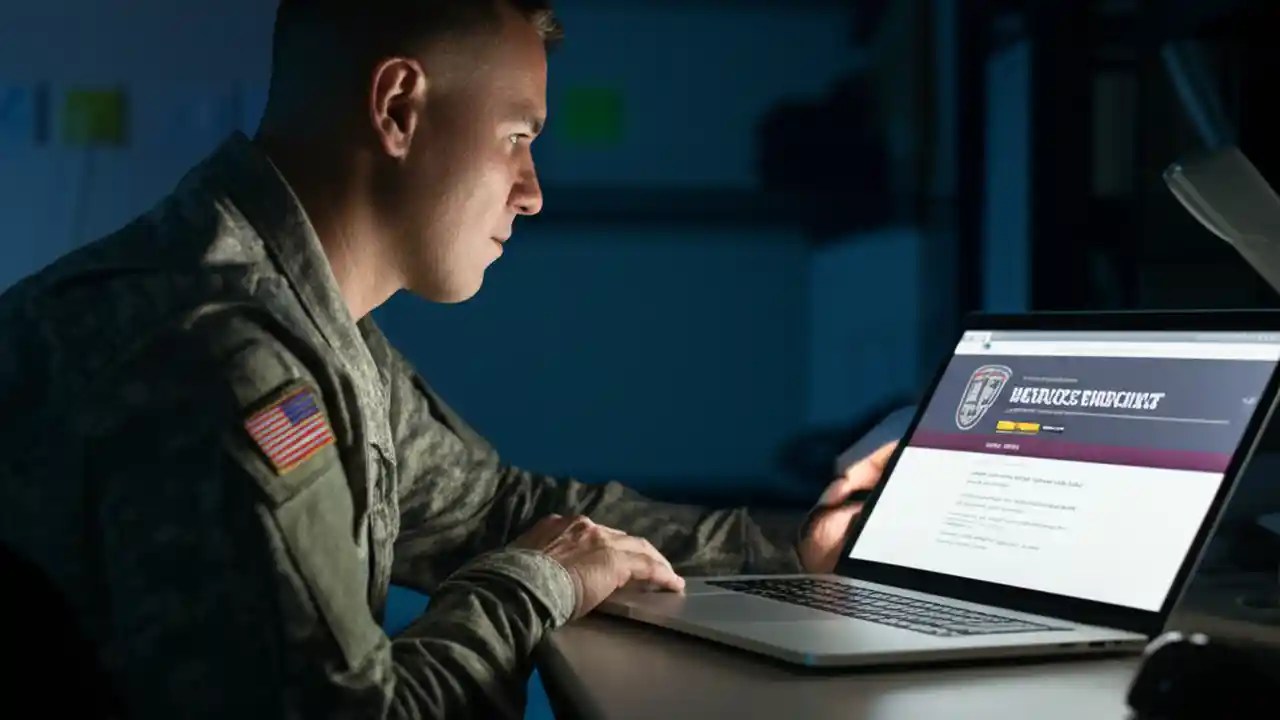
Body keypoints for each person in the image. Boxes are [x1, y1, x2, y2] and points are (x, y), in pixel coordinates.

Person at [0, 1, 896, 717]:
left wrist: (790, 552)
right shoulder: (226, 362)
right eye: (517, 136)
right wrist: (535, 583)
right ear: (397, 108)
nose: (534, 191)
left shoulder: (294, 317)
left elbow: (495, 508)